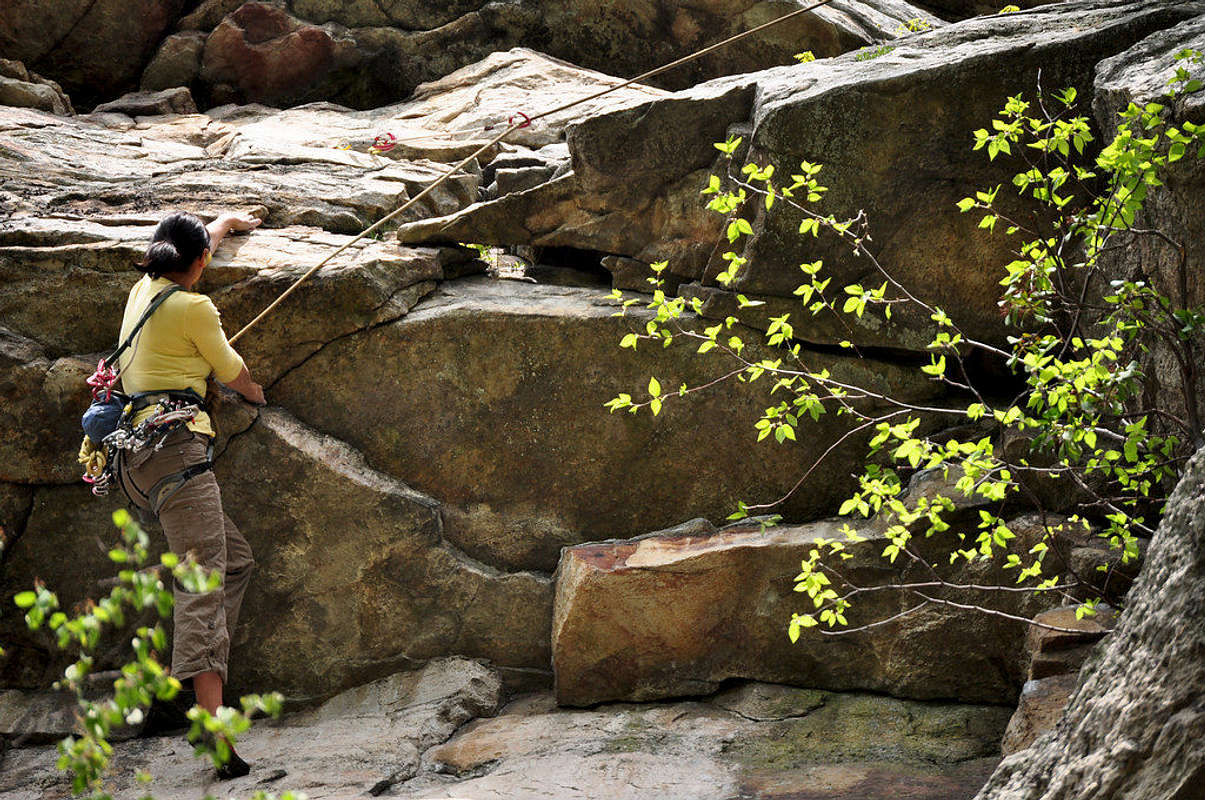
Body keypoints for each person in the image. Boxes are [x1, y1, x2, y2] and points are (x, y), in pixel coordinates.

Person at [114, 210, 264, 781]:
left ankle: (176, 689)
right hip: (177, 455)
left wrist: (223, 224)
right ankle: (212, 730)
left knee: (235, 561)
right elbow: (231, 371)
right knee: (201, 587)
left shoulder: (142, 289)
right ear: (199, 263)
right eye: (211, 251)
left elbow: (192, 246)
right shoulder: (194, 307)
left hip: (136, 459)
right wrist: (255, 393)